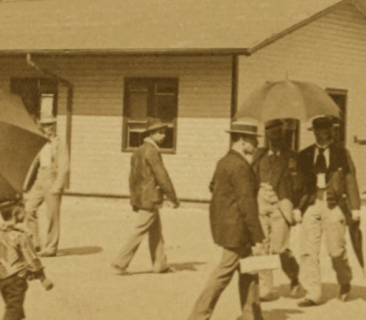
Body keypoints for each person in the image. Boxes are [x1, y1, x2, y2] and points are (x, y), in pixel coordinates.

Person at [186, 119, 265, 320]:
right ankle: (198, 316)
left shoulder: (224, 161)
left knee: (250, 271)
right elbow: (247, 204)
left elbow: (213, 187)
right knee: (223, 273)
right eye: (253, 140)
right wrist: (258, 237)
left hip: (229, 226)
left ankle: (252, 315)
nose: (256, 144)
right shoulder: (240, 166)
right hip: (238, 230)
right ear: (242, 140)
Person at [295, 114, 361, 307]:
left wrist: (355, 207)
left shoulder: (342, 153)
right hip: (311, 203)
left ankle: (344, 280)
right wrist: (297, 207)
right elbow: (298, 183)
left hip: (334, 204)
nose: (329, 133)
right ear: (315, 132)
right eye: (324, 130)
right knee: (308, 251)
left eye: (330, 130)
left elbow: (350, 180)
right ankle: (312, 293)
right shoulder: (305, 154)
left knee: (336, 250)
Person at [111, 117, 180, 275]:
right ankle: (119, 263)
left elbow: (133, 178)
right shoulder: (152, 151)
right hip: (151, 198)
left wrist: (135, 199)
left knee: (155, 231)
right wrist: (173, 198)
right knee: (139, 230)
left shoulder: (138, 150)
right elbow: (162, 176)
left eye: (164, 132)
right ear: (151, 134)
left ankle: (160, 265)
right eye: (160, 132)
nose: (163, 135)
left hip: (143, 197)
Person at [250, 119, 301, 300]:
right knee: (261, 247)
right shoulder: (259, 155)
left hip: (281, 205)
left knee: (280, 249)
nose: (275, 141)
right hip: (261, 203)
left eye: (278, 137)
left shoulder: (292, 156)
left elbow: (298, 186)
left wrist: (296, 207)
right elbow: (251, 177)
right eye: (271, 137)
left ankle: (294, 276)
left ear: (283, 135)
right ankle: (265, 289)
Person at [0, 198, 53, 320]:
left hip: (1, 279)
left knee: (15, 309)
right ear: (16, 213)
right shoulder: (21, 236)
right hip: (16, 279)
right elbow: (31, 259)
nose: (25, 212)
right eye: (23, 210)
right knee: (13, 310)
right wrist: (43, 278)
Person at [24, 115, 69, 257]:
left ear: (54, 126)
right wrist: (27, 183)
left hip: (52, 177)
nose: (48, 128)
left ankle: (51, 247)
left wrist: (58, 186)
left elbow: (64, 166)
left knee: (52, 215)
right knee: (29, 209)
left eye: (50, 125)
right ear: (40, 127)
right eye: (45, 125)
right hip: (40, 177)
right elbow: (34, 163)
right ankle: (35, 243)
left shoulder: (60, 142)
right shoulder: (39, 141)